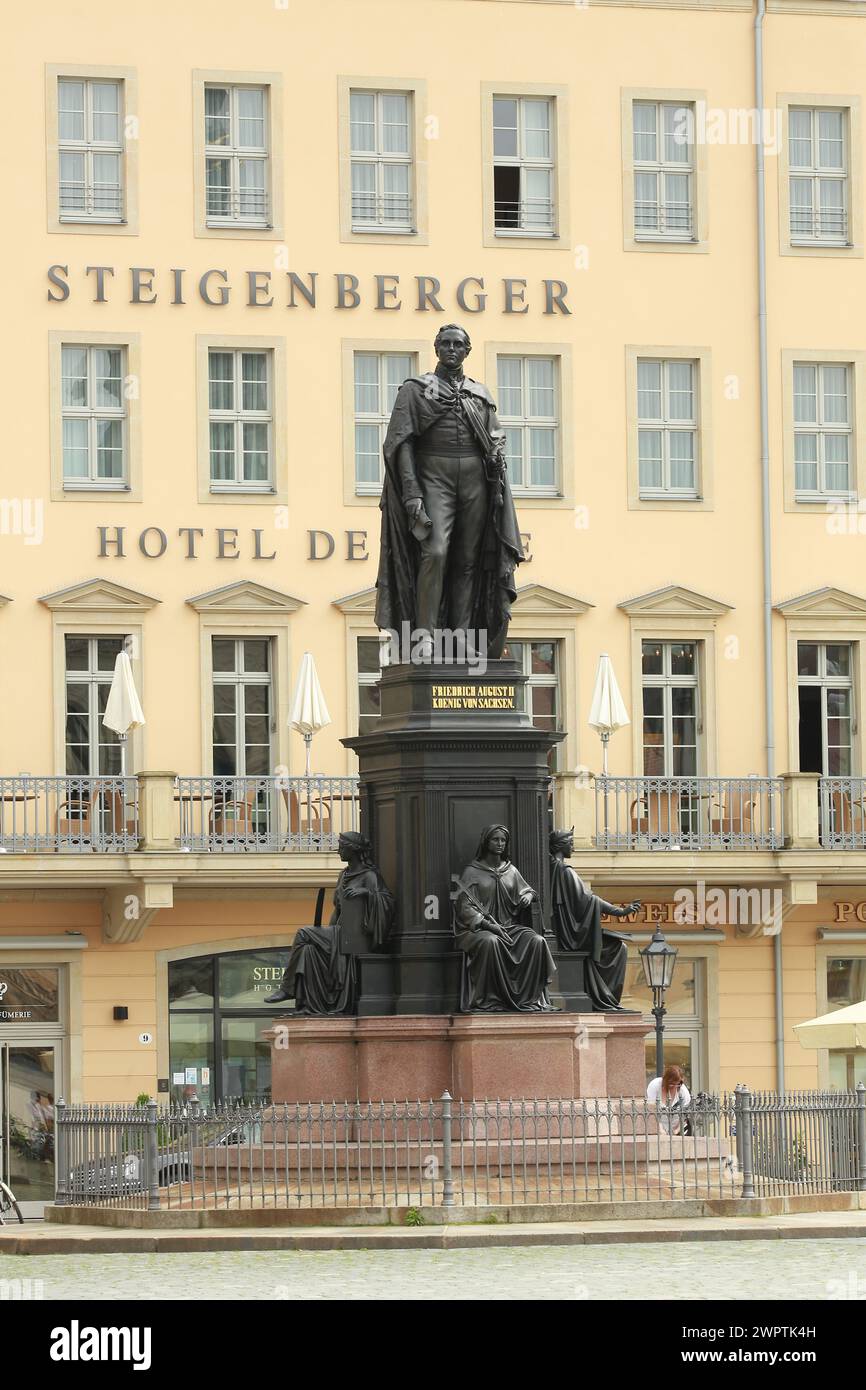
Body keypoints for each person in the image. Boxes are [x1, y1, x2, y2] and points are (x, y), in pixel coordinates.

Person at [374, 324, 524, 659]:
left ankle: (460, 636)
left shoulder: (479, 393)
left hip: (474, 481)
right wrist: (411, 493)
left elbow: (495, 436)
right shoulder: (416, 389)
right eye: (445, 343)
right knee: (436, 551)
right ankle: (425, 636)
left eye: (458, 344)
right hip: (434, 476)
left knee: (467, 560)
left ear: (467, 350)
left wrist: (496, 456)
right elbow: (401, 444)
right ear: (436, 347)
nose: (451, 349)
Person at [265, 832, 394, 1015]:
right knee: (308, 950)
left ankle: (287, 988)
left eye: (342, 846)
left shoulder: (369, 876)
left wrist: (366, 893)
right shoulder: (344, 875)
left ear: (354, 849)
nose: (338, 850)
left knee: (303, 932)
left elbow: (386, 902)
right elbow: (337, 910)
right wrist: (327, 935)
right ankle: (309, 1004)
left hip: (356, 934)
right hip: (339, 932)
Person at [454, 824, 556, 1012]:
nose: (500, 843)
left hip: (510, 927)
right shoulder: (472, 871)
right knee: (491, 942)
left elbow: (528, 890)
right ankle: (489, 1000)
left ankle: (529, 998)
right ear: (486, 842)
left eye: (503, 840)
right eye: (495, 839)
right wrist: (488, 925)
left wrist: (529, 895)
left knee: (537, 941)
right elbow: (464, 908)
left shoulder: (511, 870)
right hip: (479, 929)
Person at [548, 827, 641, 1011]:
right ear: (561, 845)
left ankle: (605, 998)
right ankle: (605, 998)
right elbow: (588, 900)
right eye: (571, 844)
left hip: (566, 930)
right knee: (618, 948)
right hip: (572, 937)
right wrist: (620, 911)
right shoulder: (565, 871)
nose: (573, 848)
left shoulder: (552, 868)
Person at [647, 1064, 692, 1135]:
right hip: (657, 1127)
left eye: (677, 1084)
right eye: (671, 1084)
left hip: (677, 1129)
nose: (675, 1087)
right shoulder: (655, 1085)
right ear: (666, 1080)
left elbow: (686, 1114)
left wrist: (676, 1131)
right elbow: (651, 1109)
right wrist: (660, 1129)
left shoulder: (683, 1090)